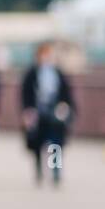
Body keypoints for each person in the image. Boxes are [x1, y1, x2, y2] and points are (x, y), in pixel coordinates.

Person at [21, 42, 77, 186]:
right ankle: (39, 170)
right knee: (37, 142)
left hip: (55, 113)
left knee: (55, 143)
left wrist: (65, 108)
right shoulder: (32, 73)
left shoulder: (57, 72)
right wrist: (27, 111)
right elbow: (25, 94)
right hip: (38, 112)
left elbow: (66, 93)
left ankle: (55, 171)